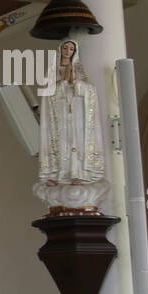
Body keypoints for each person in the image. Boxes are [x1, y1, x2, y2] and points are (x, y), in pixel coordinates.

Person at [38, 39, 104, 188]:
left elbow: (90, 90)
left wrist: (76, 83)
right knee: (61, 141)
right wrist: (62, 84)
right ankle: (58, 173)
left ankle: (79, 173)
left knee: (78, 139)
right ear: (60, 50)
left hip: (78, 112)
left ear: (75, 51)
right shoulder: (53, 71)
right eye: (65, 48)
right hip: (59, 113)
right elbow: (48, 93)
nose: (68, 51)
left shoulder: (78, 69)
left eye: (71, 49)